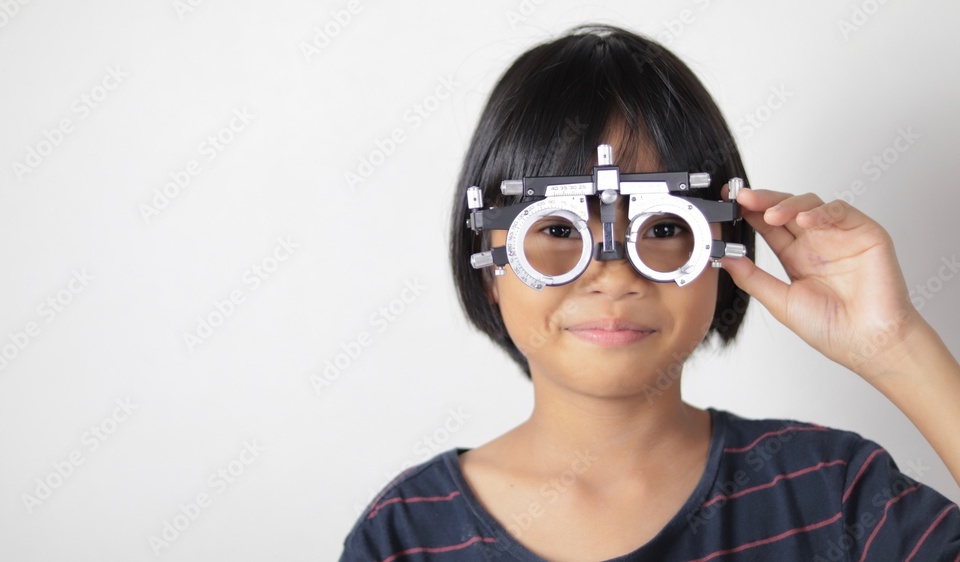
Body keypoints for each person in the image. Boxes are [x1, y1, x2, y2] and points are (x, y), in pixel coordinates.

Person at [340, 24, 960, 561]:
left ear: (724, 250)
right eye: (556, 228)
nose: (612, 274)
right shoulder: (408, 534)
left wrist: (897, 348)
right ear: (488, 268)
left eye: (664, 227)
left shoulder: (832, 494)